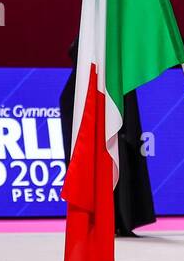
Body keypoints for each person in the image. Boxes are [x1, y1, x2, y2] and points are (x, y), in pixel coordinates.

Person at [58, 37, 155, 236]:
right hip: (91, 115)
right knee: (97, 169)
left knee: (121, 165)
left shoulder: (118, 56)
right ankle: (97, 221)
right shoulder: (81, 71)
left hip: (115, 108)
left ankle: (122, 220)